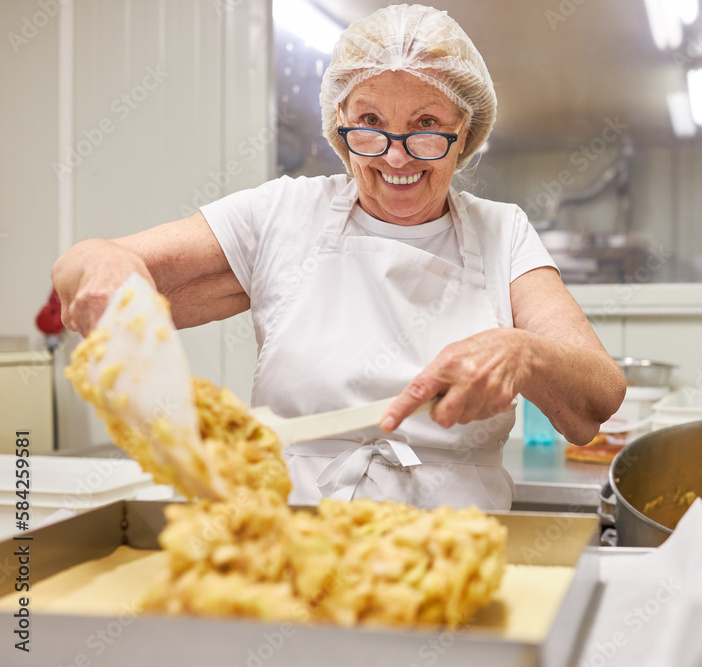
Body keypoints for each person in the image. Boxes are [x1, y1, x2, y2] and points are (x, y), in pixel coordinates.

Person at [51, 4, 625, 510]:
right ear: (339, 123)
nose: (395, 156)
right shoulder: (283, 215)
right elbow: (91, 263)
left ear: (465, 130)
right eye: (370, 123)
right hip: (291, 549)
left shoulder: (503, 233)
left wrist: (521, 353)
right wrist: (102, 268)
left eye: (426, 125)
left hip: (452, 562)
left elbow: (595, 403)